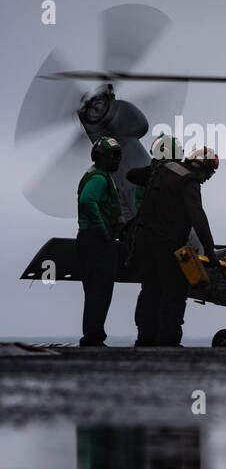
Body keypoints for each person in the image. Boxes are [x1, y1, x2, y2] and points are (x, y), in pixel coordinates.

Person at [127, 146, 219, 347]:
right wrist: (210, 249)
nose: (206, 179)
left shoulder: (164, 167)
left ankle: (145, 339)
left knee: (150, 289)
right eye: (208, 174)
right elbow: (197, 216)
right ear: (199, 166)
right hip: (167, 245)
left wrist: (154, 169)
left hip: (144, 242)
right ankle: (168, 340)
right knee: (174, 291)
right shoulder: (189, 180)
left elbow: (131, 175)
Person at [76, 137, 124, 347]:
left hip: (94, 240)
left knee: (98, 291)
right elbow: (87, 200)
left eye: (118, 155)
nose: (118, 160)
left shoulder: (101, 175)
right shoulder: (99, 179)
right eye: (114, 155)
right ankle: (93, 337)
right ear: (101, 157)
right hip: (96, 241)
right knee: (99, 290)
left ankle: (94, 334)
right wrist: (102, 228)